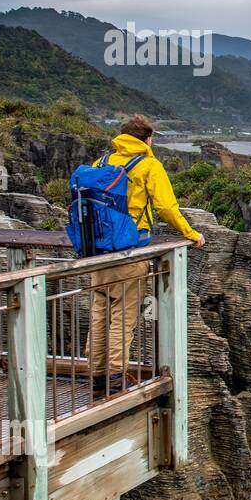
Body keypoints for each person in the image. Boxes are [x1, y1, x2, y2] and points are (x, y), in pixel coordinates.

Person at [87, 114, 204, 399]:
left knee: (100, 314)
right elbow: (166, 207)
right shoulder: (148, 165)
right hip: (130, 252)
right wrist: (191, 233)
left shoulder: (101, 163)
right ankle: (115, 383)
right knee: (123, 319)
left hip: (97, 251)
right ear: (148, 138)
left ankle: (96, 381)